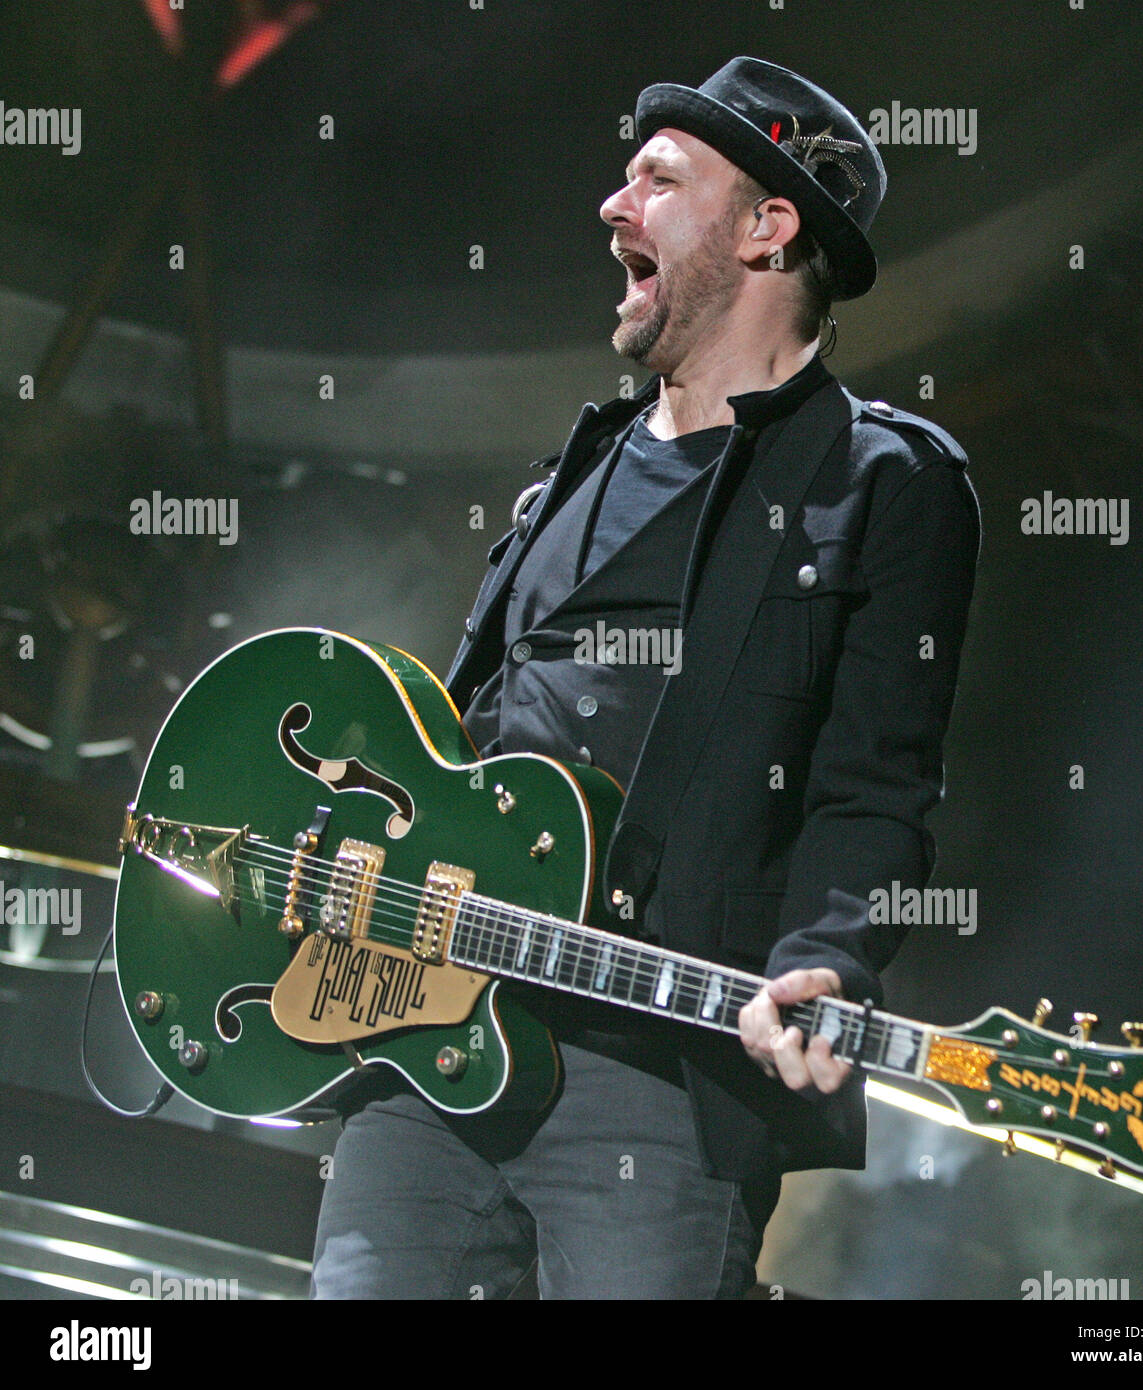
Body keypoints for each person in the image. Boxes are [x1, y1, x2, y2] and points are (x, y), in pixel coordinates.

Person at [310, 55, 981, 1300]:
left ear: (768, 225)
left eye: (657, 180)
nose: (613, 209)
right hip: (431, 1034)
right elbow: (452, 741)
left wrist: (830, 953)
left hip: (663, 1076)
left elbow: (875, 780)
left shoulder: (885, 482)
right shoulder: (572, 472)